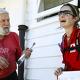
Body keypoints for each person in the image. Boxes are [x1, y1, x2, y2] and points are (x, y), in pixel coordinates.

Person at [0, 8, 31, 80]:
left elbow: (18, 58)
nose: (7, 23)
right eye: (3, 21)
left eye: (8, 20)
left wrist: (24, 54)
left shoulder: (14, 36)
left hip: (12, 76)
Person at [54, 3, 80, 76]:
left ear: (75, 18)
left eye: (67, 13)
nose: (62, 16)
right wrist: (62, 71)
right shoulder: (63, 40)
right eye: (60, 13)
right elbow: (69, 66)